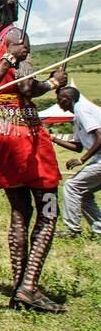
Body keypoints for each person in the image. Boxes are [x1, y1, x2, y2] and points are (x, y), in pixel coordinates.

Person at [0, 0, 67, 312]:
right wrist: (54, 82)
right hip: (22, 131)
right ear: (9, 6)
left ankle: (19, 284)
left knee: (19, 210)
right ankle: (28, 286)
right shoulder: (16, 36)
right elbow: (26, 86)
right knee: (49, 208)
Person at [51, 86, 101, 237]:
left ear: (69, 100)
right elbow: (78, 146)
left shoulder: (81, 109)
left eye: (60, 100)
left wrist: (82, 160)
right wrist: (53, 138)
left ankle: (72, 230)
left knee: (71, 186)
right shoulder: (77, 116)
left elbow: (100, 137)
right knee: (83, 192)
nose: (58, 103)